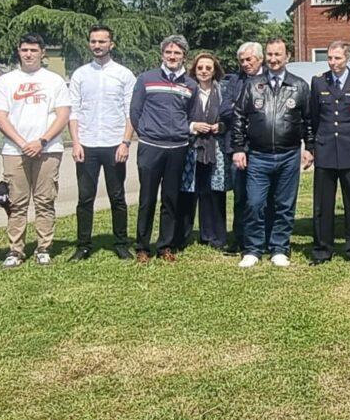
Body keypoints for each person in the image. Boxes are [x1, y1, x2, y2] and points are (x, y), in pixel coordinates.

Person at [230, 37, 313, 268]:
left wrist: (310, 148)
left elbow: (308, 120)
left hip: (289, 155)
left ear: (288, 57)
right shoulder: (253, 85)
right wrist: (238, 148)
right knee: (254, 204)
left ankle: (279, 248)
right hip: (258, 155)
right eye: (270, 54)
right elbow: (239, 118)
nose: (274, 59)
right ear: (265, 57)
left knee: (284, 205)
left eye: (278, 55)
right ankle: (253, 249)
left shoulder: (299, 86)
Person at [0, 34, 71, 267]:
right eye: (24, 50)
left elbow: (63, 114)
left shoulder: (54, 80)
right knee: (16, 202)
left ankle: (43, 247)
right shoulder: (6, 81)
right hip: (14, 150)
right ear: (18, 51)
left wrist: (42, 141)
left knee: (45, 200)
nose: (29, 54)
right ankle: (15, 250)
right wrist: (21, 142)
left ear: (42, 52)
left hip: (48, 149)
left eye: (33, 50)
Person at [67, 24, 135, 261]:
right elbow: (73, 111)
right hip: (86, 145)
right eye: (94, 41)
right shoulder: (80, 74)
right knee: (85, 198)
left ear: (111, 44)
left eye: (102, 41)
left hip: (115, 144)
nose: (97, 45)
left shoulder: (124, 75)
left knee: (117, 197)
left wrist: (125, 142)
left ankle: (121, 242)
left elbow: (130, 112)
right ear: (89, 44)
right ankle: (83, 245)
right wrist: (75, 143)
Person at [130, 35, 198, 264]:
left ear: (183, 57)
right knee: (147, 199)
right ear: (162, 54)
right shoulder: (146, 79)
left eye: (177, 53)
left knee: (171, 199)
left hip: (177, 148)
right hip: (150, 147)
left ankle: (165, 246)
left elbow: (191, 116)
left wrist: (180, 132)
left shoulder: (190, 85)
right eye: (169, 52)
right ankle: (142, 246)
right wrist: (147, 134)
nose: (172, 56)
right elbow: (135, 111)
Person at [309, 40, 350, 265]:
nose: (333, 62)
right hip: (326, 151)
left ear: (347, 58)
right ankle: (322, 250)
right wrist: (315, 146)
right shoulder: (318, 82)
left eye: (337, 58)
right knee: (322, 206)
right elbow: (314, 118)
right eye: (329, 58)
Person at [183, 52, 234, 250]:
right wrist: (194, 126)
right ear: (194, 70)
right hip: (192, 148)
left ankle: (215, 236)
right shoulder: (188, 90)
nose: (204, 71)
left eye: (208, 68)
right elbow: (179, 117)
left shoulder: (222, 91)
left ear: (214, 71)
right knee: (189, 192)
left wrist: (219, 127)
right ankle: (183, 235)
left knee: (214, 192)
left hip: (216, 149)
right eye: (200, 68)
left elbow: (229, 117)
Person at [220, 42, 264, 253]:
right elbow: (224, 111)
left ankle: (263, 238)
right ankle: (239, 239)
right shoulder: (234, 81)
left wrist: (239, 108)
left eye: (249, 60)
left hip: (263, 148)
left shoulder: (268, 80)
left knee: (264, 197)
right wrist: (247, 110)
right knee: (240, 197)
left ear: (260, 59)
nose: (245, 64)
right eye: (242, 61)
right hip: (237, 147)